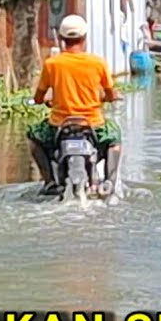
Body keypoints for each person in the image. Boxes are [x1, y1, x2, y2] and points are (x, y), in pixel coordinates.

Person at [27, 14, 123, 197]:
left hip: (58, 127)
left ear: (62, 40)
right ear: (84, 38)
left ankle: (50, 182)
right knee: (115, 138)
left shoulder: (52, 64)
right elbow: (110, 93)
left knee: (33, 137)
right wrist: (108, 97)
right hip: (94, 124)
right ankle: (109, 181)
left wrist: (44, 101)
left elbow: (39, 96)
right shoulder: (98, 63)